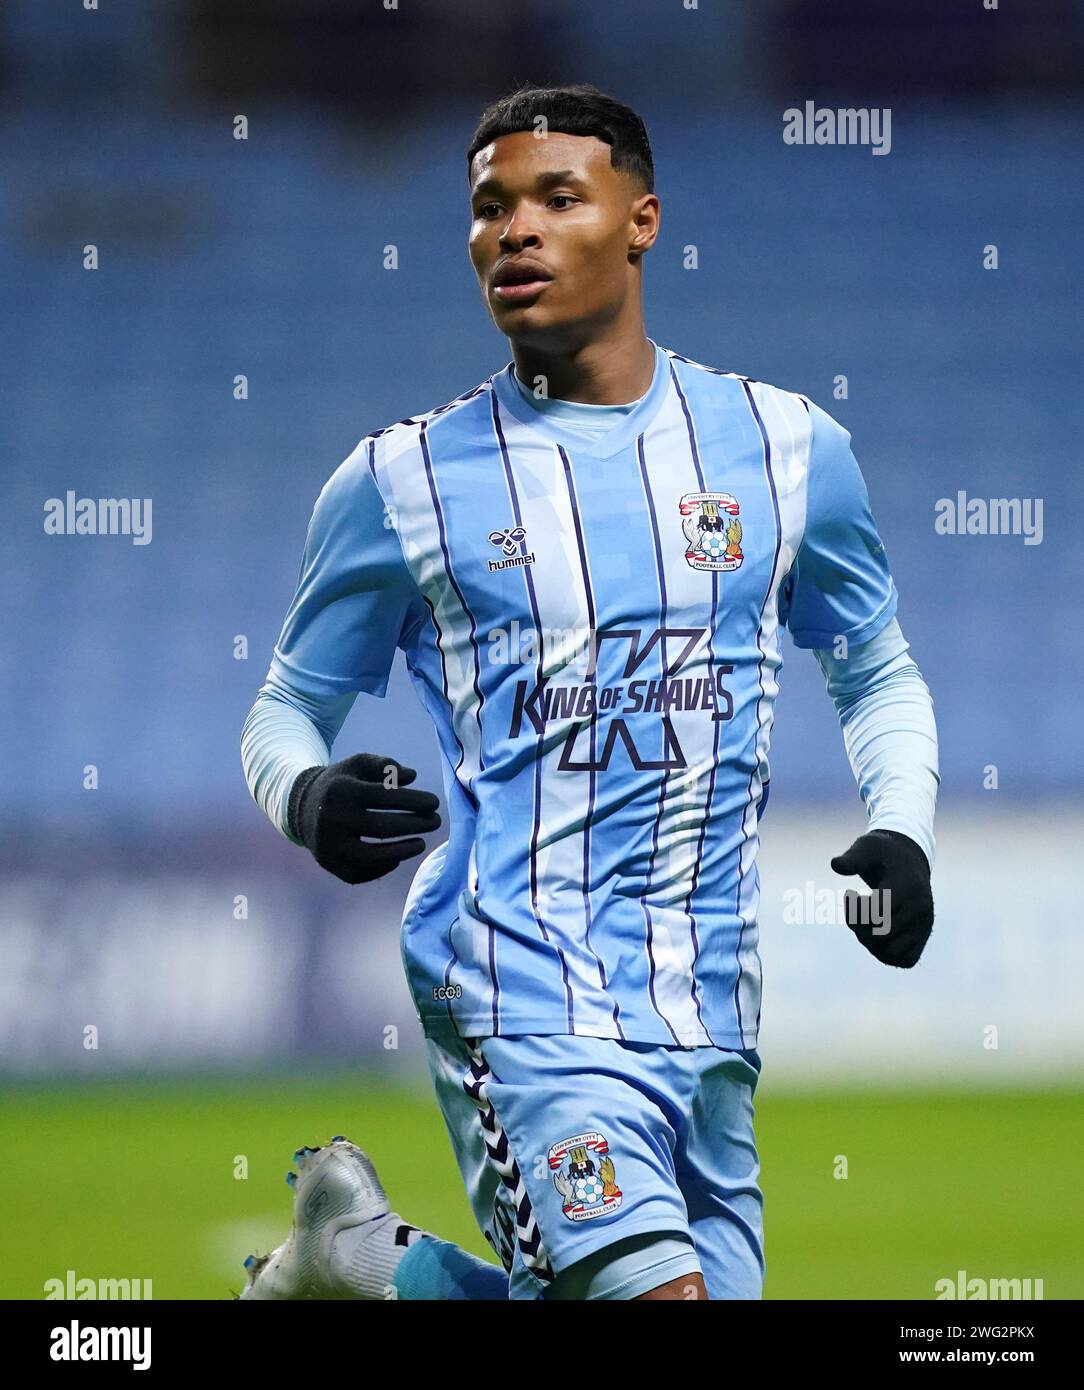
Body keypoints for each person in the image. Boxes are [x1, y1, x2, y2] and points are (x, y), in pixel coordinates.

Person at [238, 83, 938, 1302]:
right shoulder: (399, 482)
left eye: (559, 197)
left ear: (639, 220)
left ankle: (359, 1268)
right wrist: (307, 793)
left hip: (709, 999)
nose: (516, 230)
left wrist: (903, 827)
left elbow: (874, 667)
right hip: (517, 980)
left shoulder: (786, 449)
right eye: (488, 208)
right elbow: (283, 709)